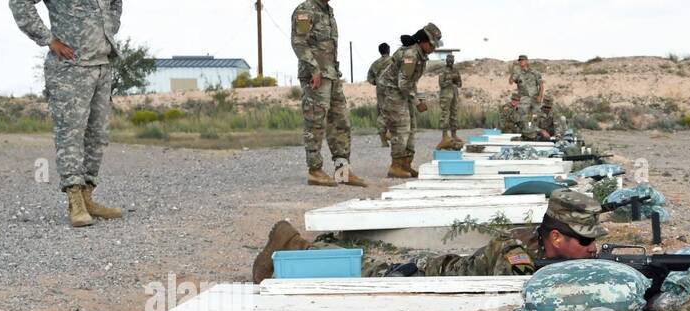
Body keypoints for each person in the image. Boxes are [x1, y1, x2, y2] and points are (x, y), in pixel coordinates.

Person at [252, 189, 606, 282]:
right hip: (423, 277)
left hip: (438, 273)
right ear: (557, 238)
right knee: (356, 273)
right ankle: (288, 249)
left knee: (360, 265)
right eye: (587, 242)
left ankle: (313, 245)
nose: (594, 249)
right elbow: (523, 296)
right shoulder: (517, 253)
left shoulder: (537, 243)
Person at [10, 0, 125, 228]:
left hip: (101, 65)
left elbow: (115, 3)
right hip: (70, 68)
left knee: (97, 137)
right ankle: (75, 201)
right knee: (70, 135)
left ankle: (87, 197)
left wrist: (108, 30)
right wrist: (49, 40)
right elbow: (19, 3)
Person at [290, 0, 366, 187]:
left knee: (341, 122)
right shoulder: (305, 10)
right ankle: (315, 171)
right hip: (315, 77)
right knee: (315, 122)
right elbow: (299, 43)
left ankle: (342, 171)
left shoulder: (328, 12)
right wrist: (314, 69)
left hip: (331, 76)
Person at [377, 24, 443, 178]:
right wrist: (417, 102)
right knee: (401, 127)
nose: (433, 48)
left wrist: (417, 98)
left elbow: (409, 83)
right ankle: (396, 166)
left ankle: (406, 164)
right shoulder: (411, 55)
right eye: (432, 44)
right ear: (423, 41)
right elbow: (403, 83)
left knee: (411, 127)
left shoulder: (420, 54)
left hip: (402, 92)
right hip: (391, 91)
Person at [366, 41, 393, 147]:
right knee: (393, 110)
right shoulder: (393, 61)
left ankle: (383, 140)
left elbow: (369, 78)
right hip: (392, 89)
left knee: (382, 112)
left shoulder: (375, 63)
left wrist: (377, 83)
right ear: (388, 50)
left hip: (380, 90)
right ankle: (390, 133)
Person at [508, 54, 543, 127]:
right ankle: (524, 131)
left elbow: (541, 85)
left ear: (527, 61)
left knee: (536, 116)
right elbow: (511, 82)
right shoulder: (518, 73)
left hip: (535, 98)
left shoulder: (535, 73)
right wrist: (513, 70)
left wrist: (540, 96)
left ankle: (535, 131)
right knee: (522, 116)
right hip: (524, 99)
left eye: (522, 60)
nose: (521, 62)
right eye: (520, 60)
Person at [437, 52, 463, 151]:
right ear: (446, 61)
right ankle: (445, 136)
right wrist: (450, 80)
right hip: (445, 95)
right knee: (445, 114)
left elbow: (460, 84)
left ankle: (454, 135)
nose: (451, 62)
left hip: (454, 94)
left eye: (452, 60)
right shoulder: (442, 71)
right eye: (449, 60)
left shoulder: (456, 70)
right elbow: (441, 84)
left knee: (454, 114)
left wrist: (456, 81)